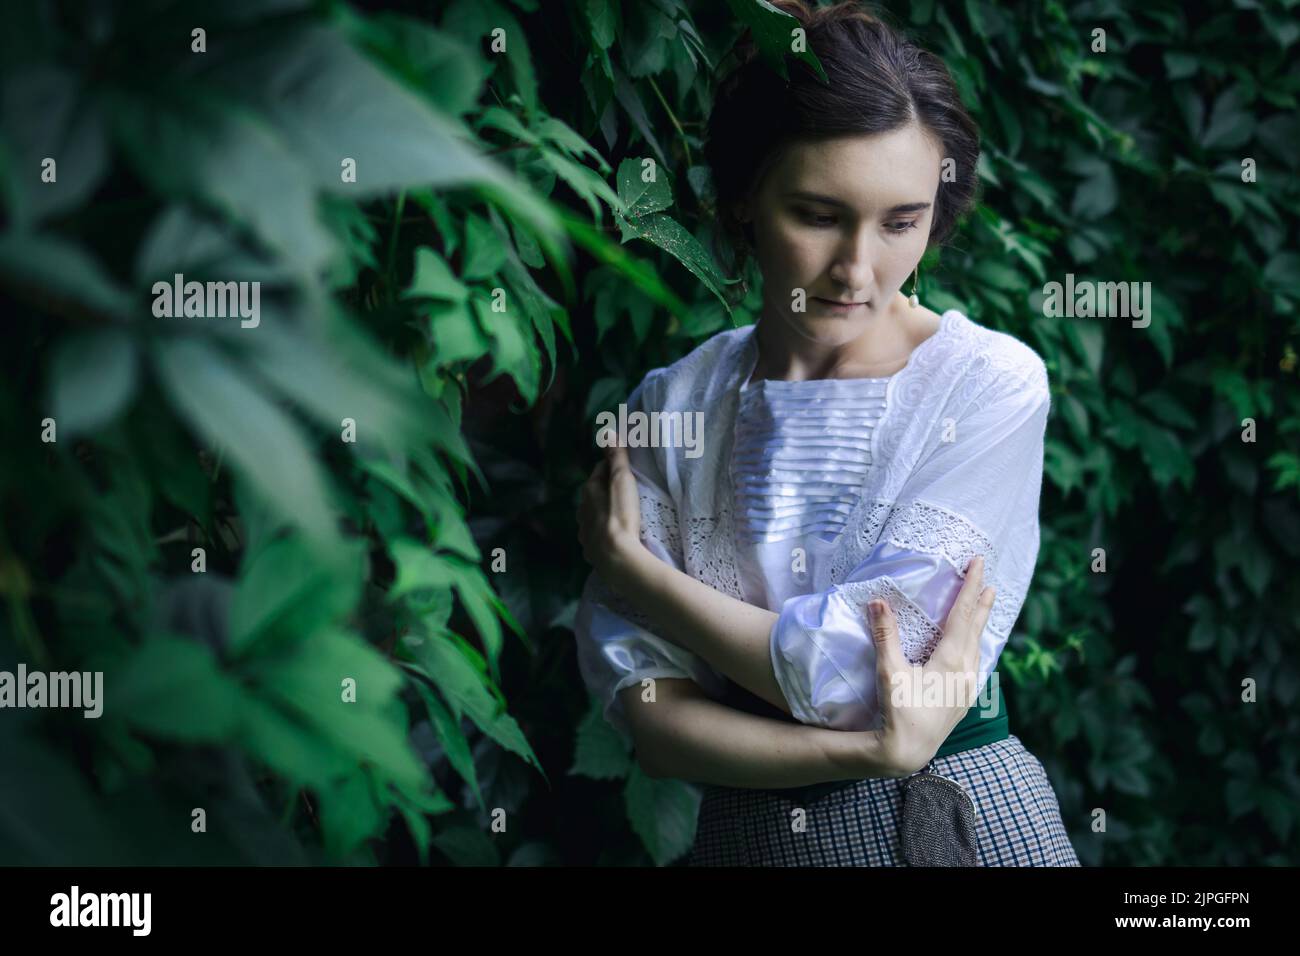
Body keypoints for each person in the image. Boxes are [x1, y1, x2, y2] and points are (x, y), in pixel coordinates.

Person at [574, 0, 1079, 866]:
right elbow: (647, 714)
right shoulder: (672, 405)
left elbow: (845, 674)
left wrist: (639, 577)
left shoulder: (986, 384)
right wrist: (871, 749)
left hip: (956, 825)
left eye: (900, 221)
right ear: (742, 203)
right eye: (817, 214)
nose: (857, 269)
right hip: (749, 842)